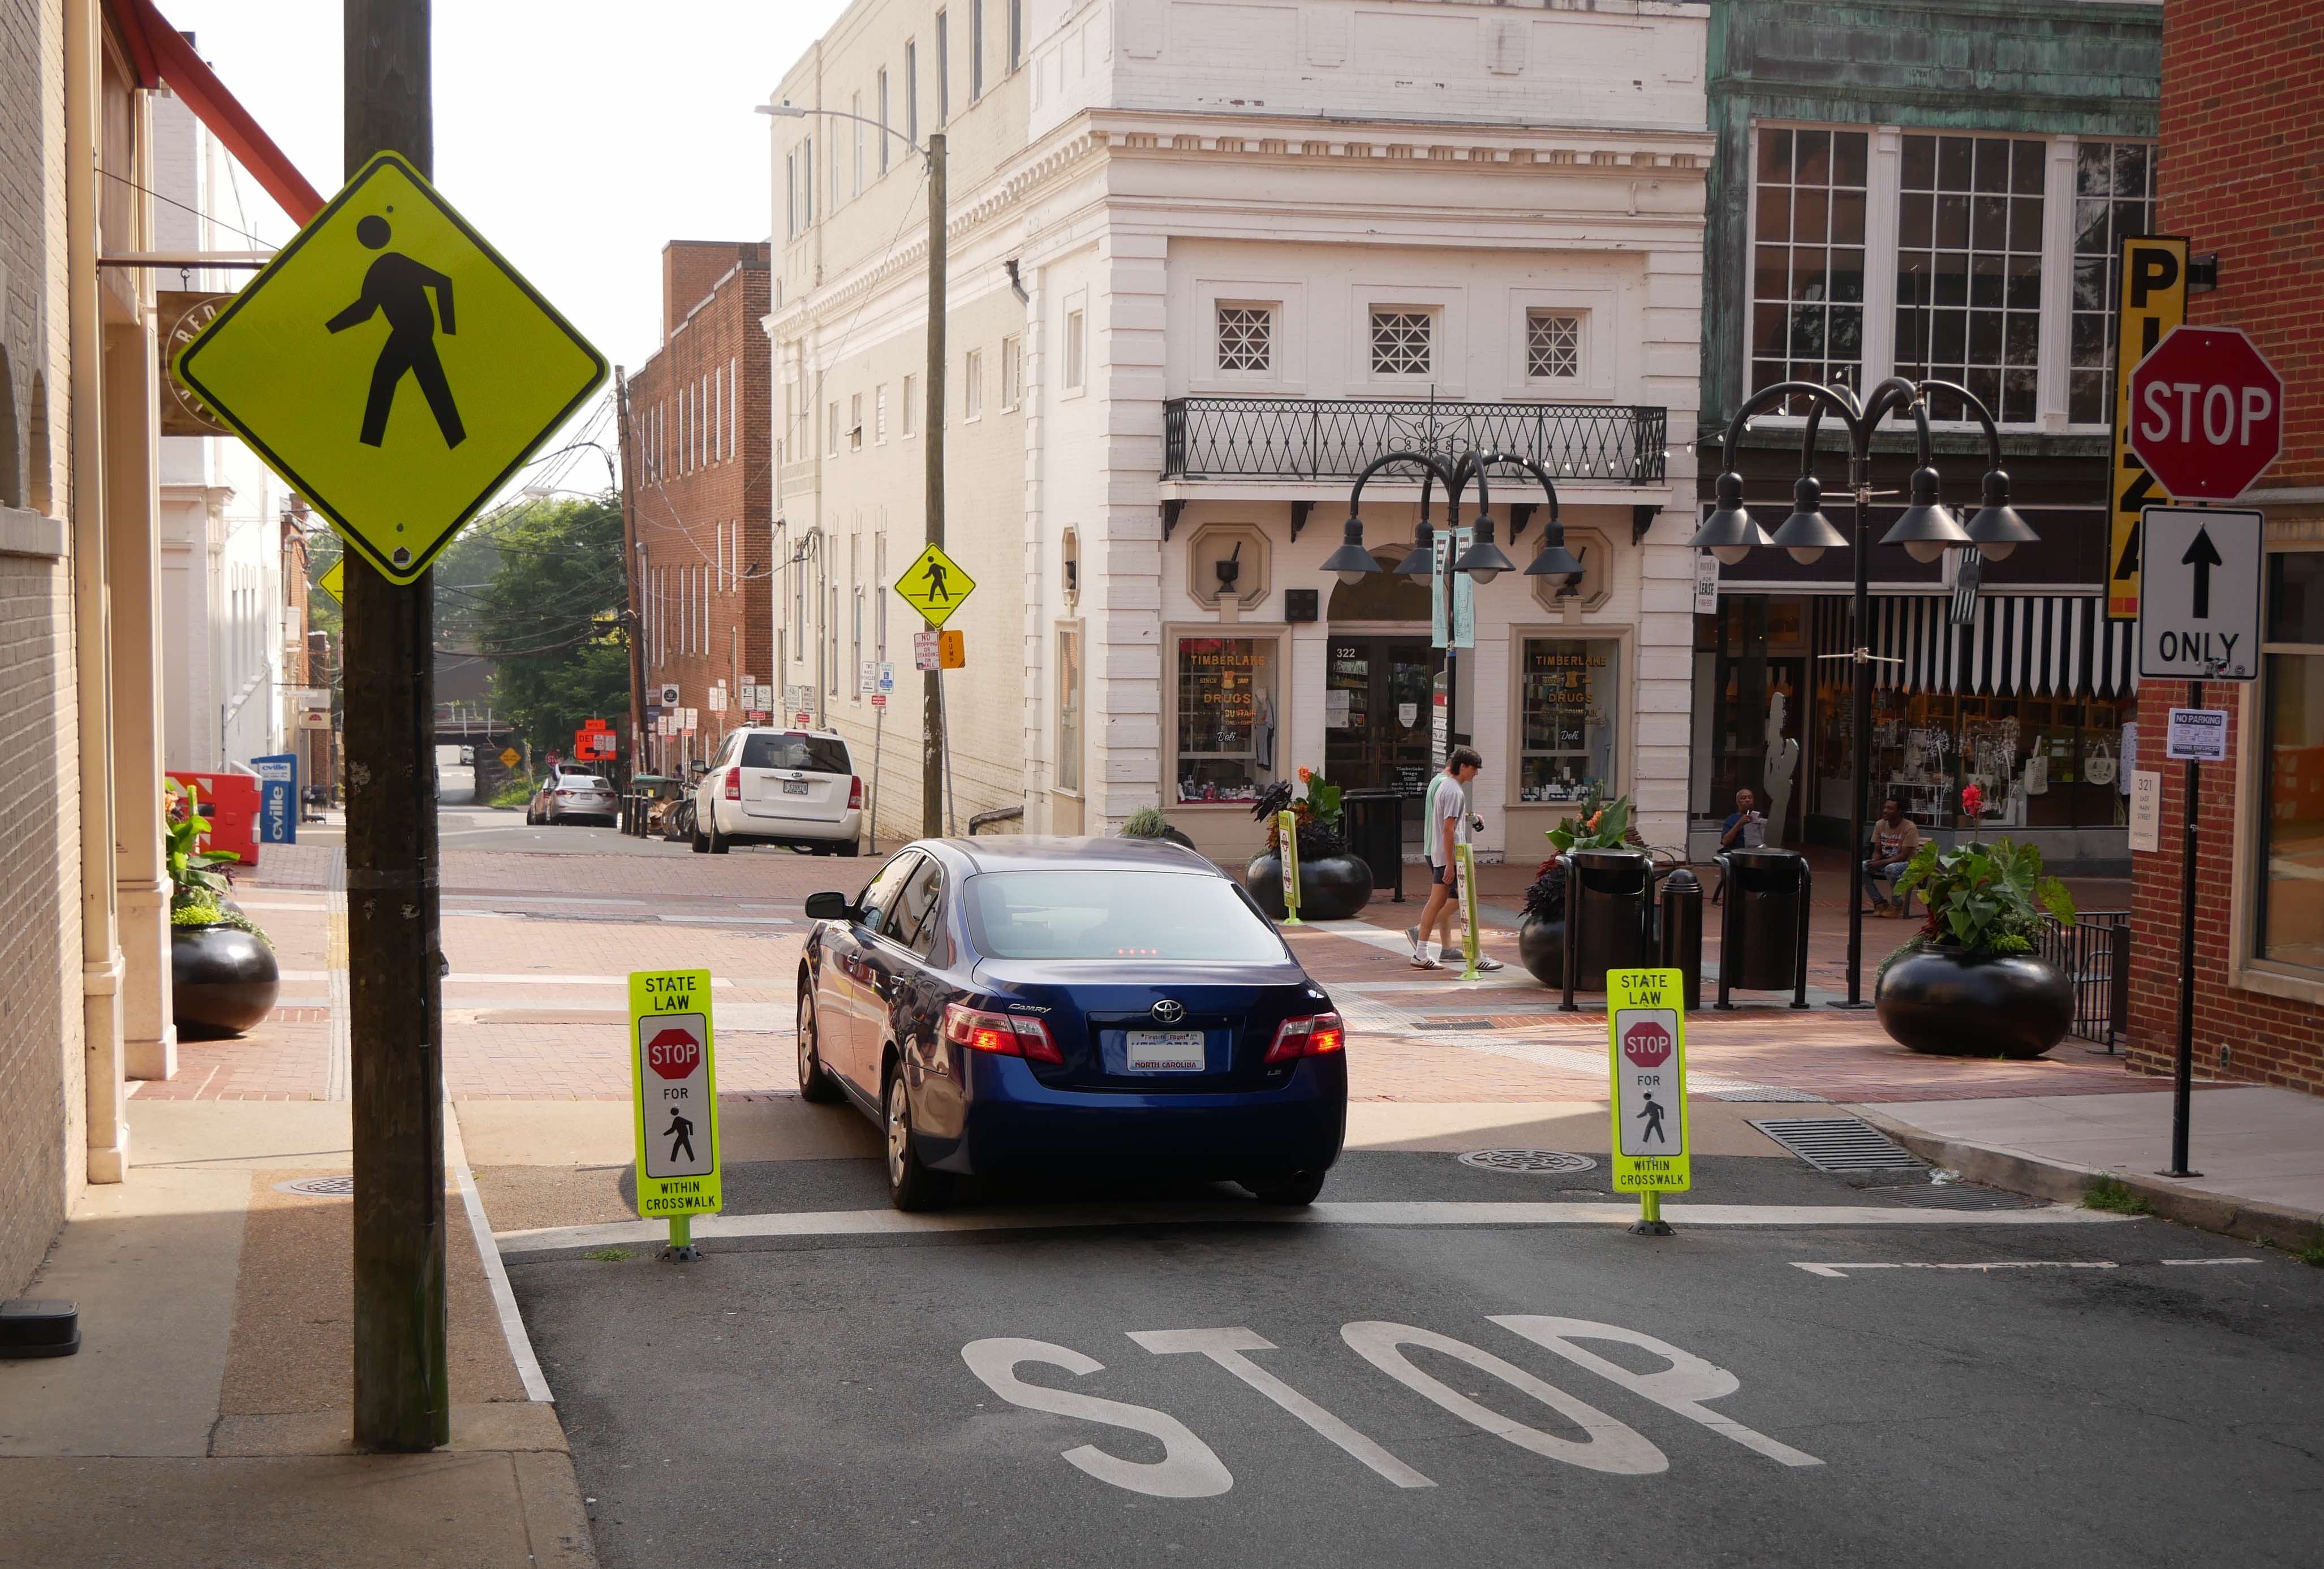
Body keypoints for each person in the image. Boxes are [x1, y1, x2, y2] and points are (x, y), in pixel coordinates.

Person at [1406, 746, 1501, 972]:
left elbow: (1449, 824)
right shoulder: (1453, 791)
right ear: (1463, 766)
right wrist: (1451, 863)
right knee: (1467, 900)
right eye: (1474, 769)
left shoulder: (1444, 785)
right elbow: (1448, 829)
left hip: (1442, 853)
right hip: (1451, 855)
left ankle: (1422, 952)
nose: (1475, 774)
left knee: (1439, 901)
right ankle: (1476, 956)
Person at [1865, 796, 1922, 916]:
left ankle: (1897, 905)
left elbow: (1903, 856)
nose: (1885, 811)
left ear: (1899, 811)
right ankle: (1879, 902)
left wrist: (1879, 863)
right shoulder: (1880, 825)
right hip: (1885, 862)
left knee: (1891, 869)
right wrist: (1874, 861)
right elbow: (1877, 851)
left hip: (1907, 863)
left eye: (1890, 809)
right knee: (1863, 867)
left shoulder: (1909, 827)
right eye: (1885, 807)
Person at [1710, 787, 1763, 906]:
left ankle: (1762, 897)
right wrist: (1740, 824)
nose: (1748, 800)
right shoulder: (1732, 819)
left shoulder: (1759, 819)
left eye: (1750, 797)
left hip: (1756, 853)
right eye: (1744, 798)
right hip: (1738, 855)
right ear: (1738, 802)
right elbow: (1725, 841)